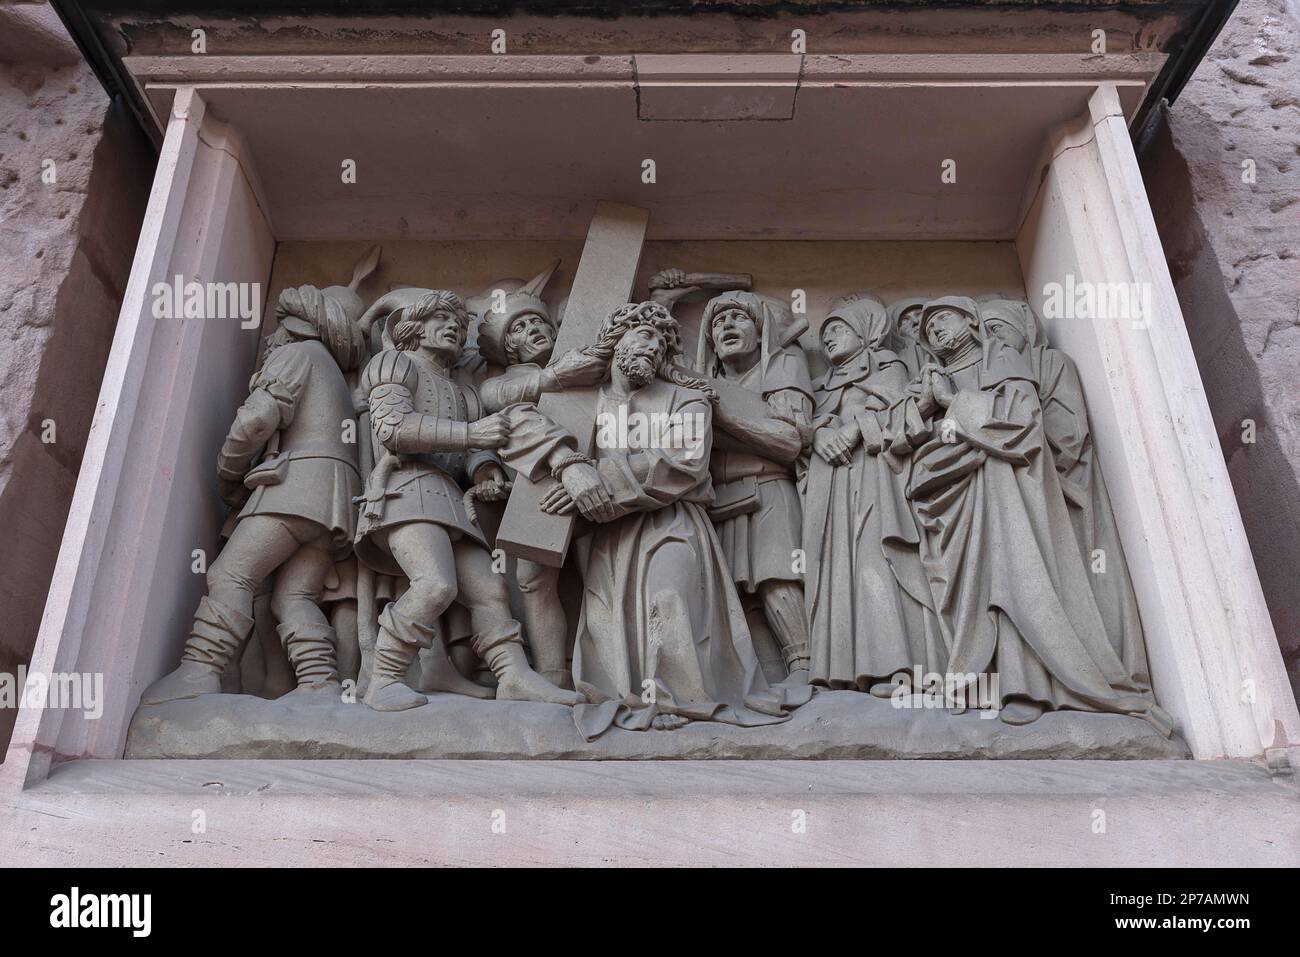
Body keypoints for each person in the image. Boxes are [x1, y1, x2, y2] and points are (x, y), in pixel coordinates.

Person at [493, 301, 811, 737]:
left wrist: (598, 479)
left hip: (673, 522)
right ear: (615, 342)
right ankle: (638, 698)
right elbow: (513, 420)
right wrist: (570, 465)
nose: (652, 350)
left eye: (661, 346)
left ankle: (677, 699)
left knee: (669, 597)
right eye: (642, 337)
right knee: (613, 623)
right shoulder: (582, 399)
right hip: (608, 535)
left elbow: (686, 462)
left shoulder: (687, 397)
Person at [889, 296, 1172, 731]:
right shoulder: (935, 377)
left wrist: (955, 404)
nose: (936, 331)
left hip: (1006, 490)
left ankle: (1028, 686)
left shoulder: (1002, 358)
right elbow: (904, 435)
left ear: (971, 319)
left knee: (1013, 576)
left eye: (944, 319)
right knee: (972, 585)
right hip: (956, 496)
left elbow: (1020, 422)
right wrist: (932, 408)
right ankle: (977, 680)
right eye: (928, 330)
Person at [354, 288, 582, 711]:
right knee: (435, 584)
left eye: (460, 326)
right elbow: (393, 428)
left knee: (491, 590)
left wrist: (486, 470)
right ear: (412, 328)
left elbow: (477, 447)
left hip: (451, 498)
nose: (455, 329)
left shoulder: (463, 390)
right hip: (407, 490)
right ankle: (383, 681)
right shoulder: (394, 363)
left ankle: (513, 677)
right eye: (442, 319)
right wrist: (471, 436)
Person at [142, 285, 366, 704]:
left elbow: (257, 419)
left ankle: (199, 670)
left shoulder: (295, 354)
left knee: (229, 575)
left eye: (278, 326)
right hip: (334, 501)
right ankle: (319, 684)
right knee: (294, 596)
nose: (271, 336)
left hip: (294, 490)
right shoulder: (331, 368)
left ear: (293, 326)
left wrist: (229, 472)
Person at [980, 298, 1151, 689]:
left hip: (1059, 493)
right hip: (1018, 494)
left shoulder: (1051, 364)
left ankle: (1092, 673)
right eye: (985, 333)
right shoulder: (992, 377)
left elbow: (1067, 434)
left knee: (1076, 586)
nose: (993, 341)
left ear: (1023, 331)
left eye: (999, 329)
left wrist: (1021, 453)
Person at [803, 294, 945, 693]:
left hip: (876, 475)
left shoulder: (887, 366)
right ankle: (844, 669)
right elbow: (806, 427)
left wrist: (854, 428)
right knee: (836, 568)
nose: (828, 338)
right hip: (831, 487)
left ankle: (895, 667)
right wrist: (819, 434)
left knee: (875, 559)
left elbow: (904, 416)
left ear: (865, 331)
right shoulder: (821, 386)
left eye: (838, 329)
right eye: (825, 332)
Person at [695, 291, 814, 687]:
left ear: (760, 330)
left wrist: (727, 420)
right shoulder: (702, 385)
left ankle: (805, 666)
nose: (726, 326)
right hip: (718, 501)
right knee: (735, 592)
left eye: (738, 318)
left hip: (769, 490)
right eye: (717, 322)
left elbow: (790, 441)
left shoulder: (782, 367)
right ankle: (766, 681)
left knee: (776, 575)